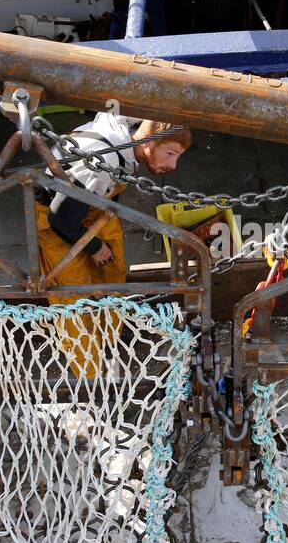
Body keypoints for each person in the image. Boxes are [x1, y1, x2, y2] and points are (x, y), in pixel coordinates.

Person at [36, 112, 190, 376]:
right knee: (74, 297)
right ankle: (91, 374)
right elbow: (60, 219)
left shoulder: (132, 128)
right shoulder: (102, 161)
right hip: (57, 218)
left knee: (113, 272)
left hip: (95, 205)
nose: (174, 165)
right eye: (170, 154)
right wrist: (95, 247)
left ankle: (110, 338)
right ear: (148, 144)